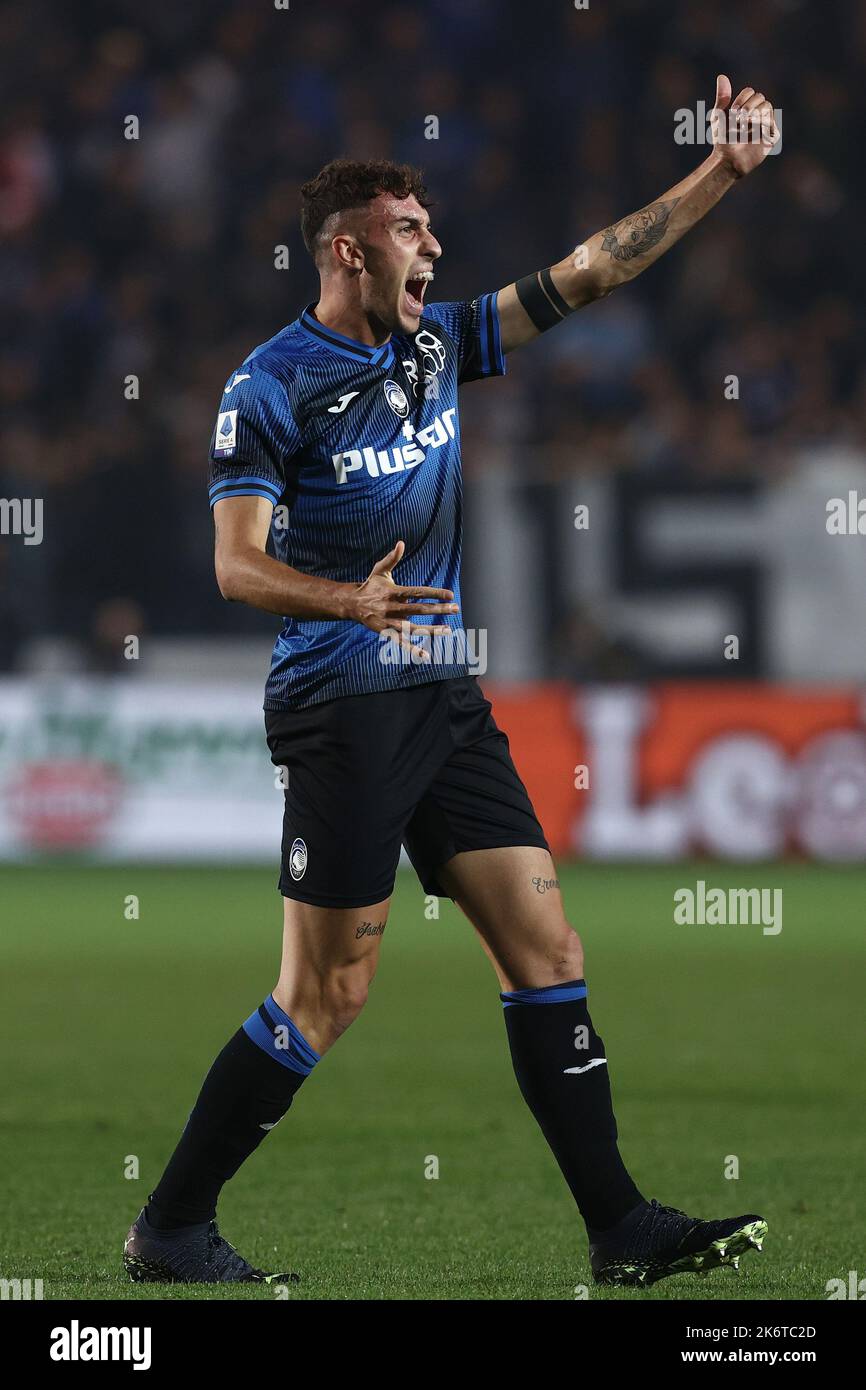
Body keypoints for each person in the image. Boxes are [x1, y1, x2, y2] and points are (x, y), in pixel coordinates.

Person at [124, 76, 776, 1288]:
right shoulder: (270, 384)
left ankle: (617, 1225)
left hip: (441, 694)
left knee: (546, 947)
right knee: (327, 992)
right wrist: (348, 598)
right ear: (346, 250)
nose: (434, 244)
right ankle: (168, 1227)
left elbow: (587, 272)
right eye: (411, 230)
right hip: (342, 701)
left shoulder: (436, 345)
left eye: (429, 228)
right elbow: (234, 566)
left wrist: (717, 176)